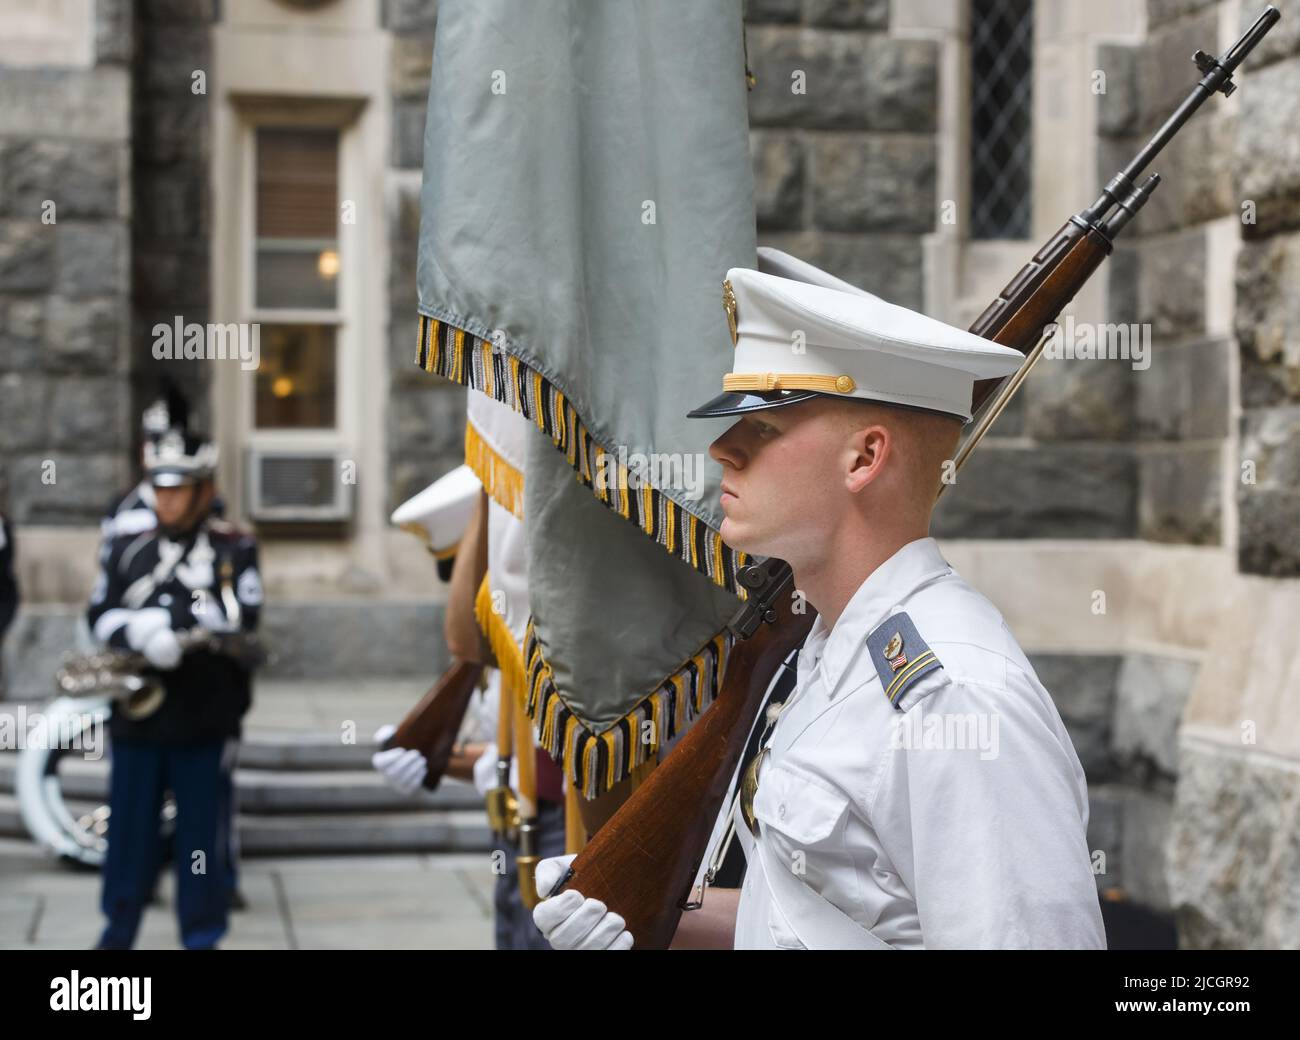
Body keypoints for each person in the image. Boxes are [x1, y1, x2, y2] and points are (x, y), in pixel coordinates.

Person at [531, 253, 1107, 950]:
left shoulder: (954, 697)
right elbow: (820, 917)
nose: (721, 450)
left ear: (864, 460)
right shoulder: (824, 650)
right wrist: (641, 909)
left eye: (763, 428)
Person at [87, 427, 263, 950]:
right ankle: (117, 935)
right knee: (129, 834)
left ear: (204, 489)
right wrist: (137, 629)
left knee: (199, 839)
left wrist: (194, 621)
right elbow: (99, 610)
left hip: (204, 713)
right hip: (137, 716)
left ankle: (203, 935)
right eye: (159, 488)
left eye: (178, 488)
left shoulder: (235, 548)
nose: (166, 499)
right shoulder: (126, 545)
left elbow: (247, 618)